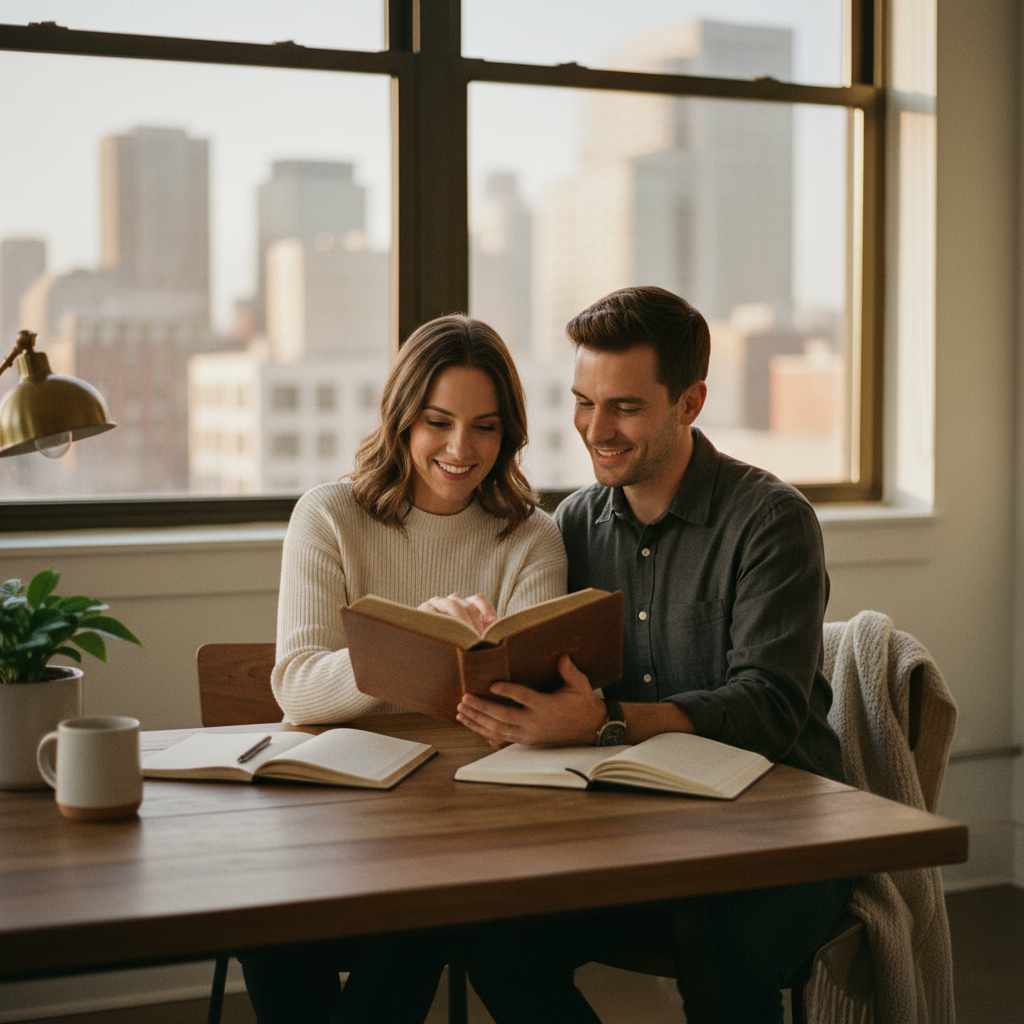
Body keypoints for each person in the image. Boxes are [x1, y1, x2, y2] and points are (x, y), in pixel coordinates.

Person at [454, 286, 853, 1024]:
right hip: (636, 828)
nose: (594, 430)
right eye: (582, 402)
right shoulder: (572, 523)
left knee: (719, 957)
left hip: (779, 829)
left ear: (689, 402)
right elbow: (557, 673)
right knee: (492, 930)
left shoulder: (772, 522)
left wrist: (604, 723)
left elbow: (766, 709)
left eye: (625, 408)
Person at [238, 314, 568, 1024]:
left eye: (485, 425)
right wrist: (415, 638)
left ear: (509, 431)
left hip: (467, 821)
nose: (460, 449)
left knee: (426, 915)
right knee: (268, 934)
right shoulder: (329, 516)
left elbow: (527, 706)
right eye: (437, 422)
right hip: (333, 816)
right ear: (401, 419)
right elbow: (296, 685)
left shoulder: (532, 536)